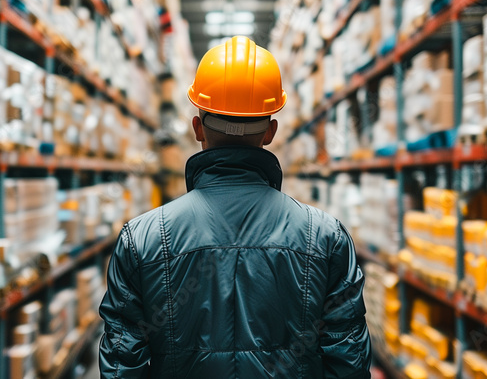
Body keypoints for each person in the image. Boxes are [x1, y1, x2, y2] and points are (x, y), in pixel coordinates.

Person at [99, 36, 371, 378]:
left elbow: (123, 367)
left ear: (197, 128)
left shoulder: (141, 240)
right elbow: (349, 364)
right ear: (271, 132)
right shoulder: (326, 237)